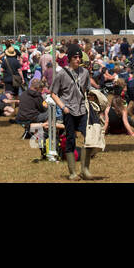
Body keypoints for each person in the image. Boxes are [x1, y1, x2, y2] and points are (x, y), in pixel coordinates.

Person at [47, 44, 91, 180]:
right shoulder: (61, 74)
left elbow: (85, 90)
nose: (78, 59)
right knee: (70, 139)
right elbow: (53, 93)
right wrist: (63, 107)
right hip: (69, 110)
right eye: (75, 57)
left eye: (79, 57)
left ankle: (85, 170)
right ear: (69, 58)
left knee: (87, 139)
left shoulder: (85, 73)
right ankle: (73, 172)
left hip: (82, 110)